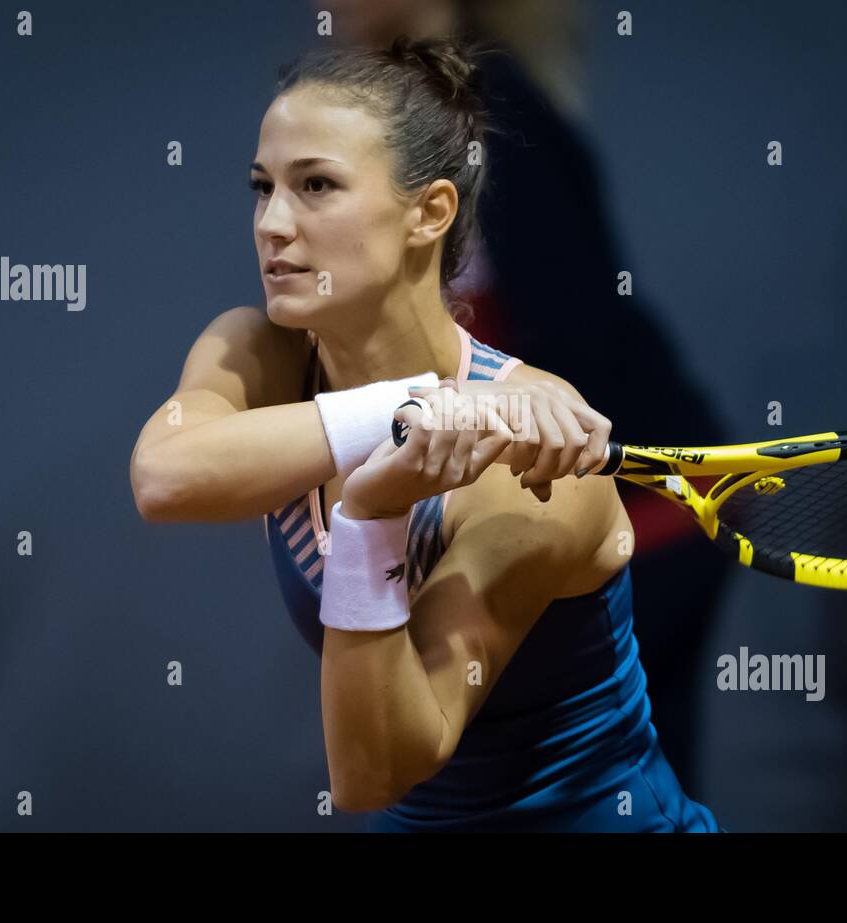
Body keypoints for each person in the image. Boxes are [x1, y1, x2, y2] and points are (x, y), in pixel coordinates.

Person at [130, 36, 718, 831]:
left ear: (430, 212)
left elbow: (378, 768)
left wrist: (373, 518)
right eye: (262, 187)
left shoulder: (535, 460)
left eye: (316, 186)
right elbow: (164, 476)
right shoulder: (257, 350)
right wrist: (410, 409)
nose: (272, 223)